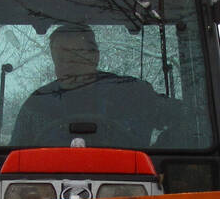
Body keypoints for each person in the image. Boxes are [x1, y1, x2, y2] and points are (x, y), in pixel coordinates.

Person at [10, 25, 179, 148]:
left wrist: (161, 156)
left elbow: (191, 119)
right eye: (60, 57)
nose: (67, 65)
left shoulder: (133, 94)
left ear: (94, 56)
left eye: (75, 56)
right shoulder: (38, 105)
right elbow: (14, 157)